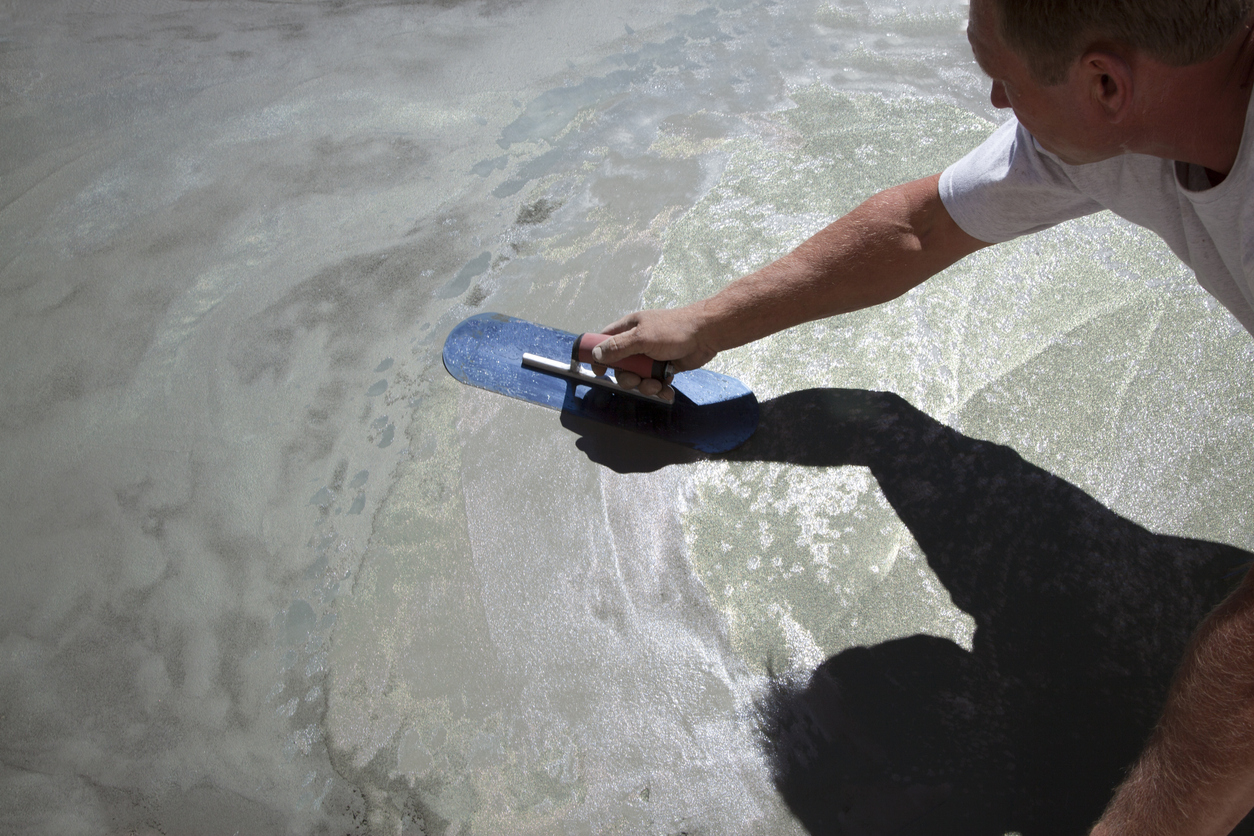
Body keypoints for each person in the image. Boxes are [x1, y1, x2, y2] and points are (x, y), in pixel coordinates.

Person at [591, 0, 1254, 832]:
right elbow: (921, 227)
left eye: (1001, 78)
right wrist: (708, 324)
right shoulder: (1120, 119)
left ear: (1105, 85)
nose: (995, 101)